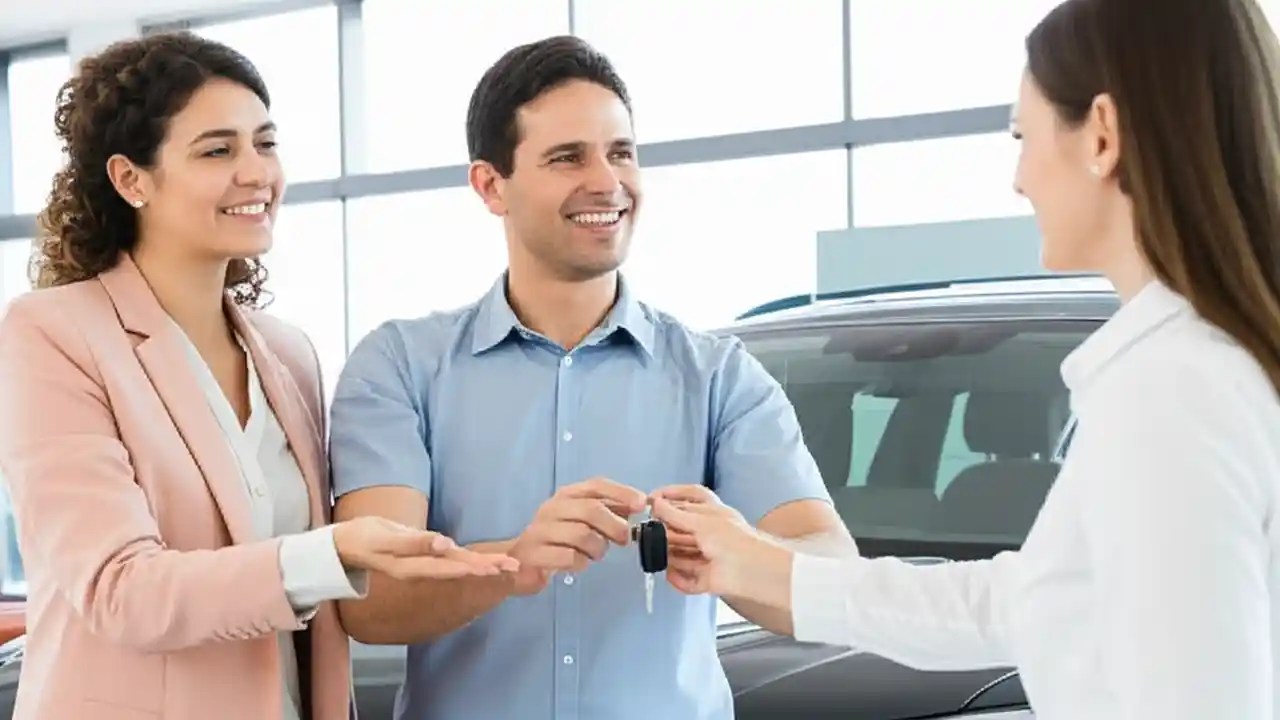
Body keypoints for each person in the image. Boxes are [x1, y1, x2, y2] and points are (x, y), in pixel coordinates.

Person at [650, 0, 1280, 718]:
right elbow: (1017, 602)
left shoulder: (1171, 393)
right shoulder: (1205, 371)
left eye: (1022, 136)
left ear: (1102, 135)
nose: (1019, 179)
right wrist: (760, 563)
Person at [328, 34, 853, 720]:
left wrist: (741, 551)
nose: (606, 182)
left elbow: (832, 574)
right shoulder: (398, 368)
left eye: (621, 152)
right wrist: (515, 561)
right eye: (567, 157)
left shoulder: (722, 378)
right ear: (491, 186)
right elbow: (369, 600)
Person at [0, 32, 516, 720]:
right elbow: (121, 591)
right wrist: (328, 550)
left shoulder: (287, 353)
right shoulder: (52, 334)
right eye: (218, 150)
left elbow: (312, 614)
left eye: (265, 144)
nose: (257, 173)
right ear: (131, 180)